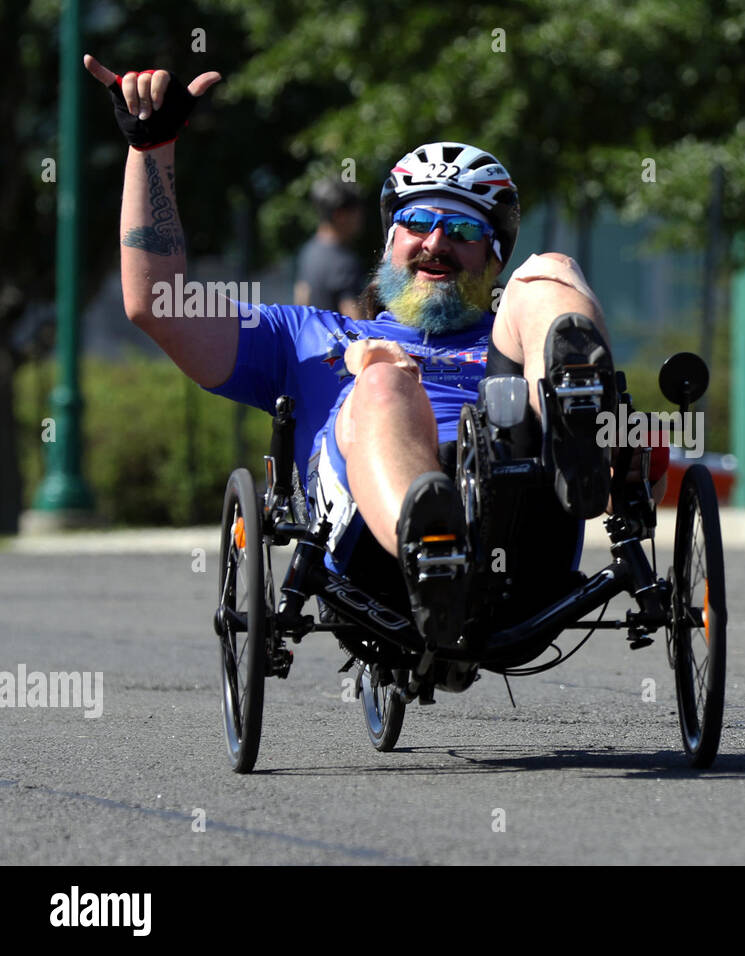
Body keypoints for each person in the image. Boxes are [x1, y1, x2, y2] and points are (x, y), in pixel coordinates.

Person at [84, 54, 643, 644]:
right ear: (387, 241)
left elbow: (641, 485)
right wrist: (152, 148)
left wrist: (627, 460)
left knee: (552, 271)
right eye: (420, 220)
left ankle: (579, 423)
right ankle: (432, 544)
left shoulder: (518, 332)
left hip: (527, 542)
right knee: (380, 378)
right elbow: (157, 303)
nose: (436, 242)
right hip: (378, 568)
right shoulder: (307, 338)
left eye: (465, 230)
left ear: (494, 256)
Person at [294, 179, 365, 318]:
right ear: (340, 215)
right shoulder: (344, 262)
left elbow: (301, 298)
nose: (361, 218)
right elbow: (356, 323)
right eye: (357, 212)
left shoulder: (308, 250)